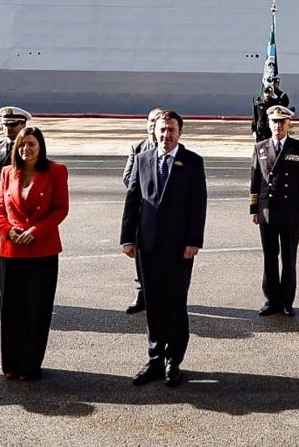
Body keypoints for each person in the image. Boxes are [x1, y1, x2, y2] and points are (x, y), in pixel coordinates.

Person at [121, 110, 207, 388]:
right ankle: (155, 358)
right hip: (148, 244)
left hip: (180, 247)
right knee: (154, 303)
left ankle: (174, 359)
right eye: (162, 129)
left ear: (180, 132)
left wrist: (194, 241)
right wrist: (127, 238)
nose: (166, 135)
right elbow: (133, 198)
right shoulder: (143, 159)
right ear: (153, 131)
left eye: (171, 130)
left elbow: (198, 204)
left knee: (175, 303)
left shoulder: (193, 162)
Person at [0, 126, 69, 381]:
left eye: (32, 144)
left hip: (42, 249)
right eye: (22, 145)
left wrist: (36, 230)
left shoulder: (56, 171)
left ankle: (31, 364)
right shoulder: (7, 173)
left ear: (41, 147)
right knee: (12, 309)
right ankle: (12, 364)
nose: (26, 149)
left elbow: (60, 209)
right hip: (12, 249)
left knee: (37, 309)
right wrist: (8, 231)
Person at [250, 105, 299, 316]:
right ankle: (271, 299)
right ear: (269, 124)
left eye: (282, 122)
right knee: (269, 256)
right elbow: (255, 181)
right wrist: (254, 210)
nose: (278, 126)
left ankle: (287, 300)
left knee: (288, 257)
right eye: (274, 122)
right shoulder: (260, 147)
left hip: (291, 210)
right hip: (267, 211)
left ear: (288, 125)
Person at [0, 106, 32, 313]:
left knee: (20, 252)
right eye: (5, 125)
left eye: (12, 125)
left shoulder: (29, 149)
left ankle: (20, 292)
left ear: (23, 125)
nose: (8, 129)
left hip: (19, 211)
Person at [122, 108, 165, 314]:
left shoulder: (170, 147)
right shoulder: (138, 147)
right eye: (149, 120)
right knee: (141, 255)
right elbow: (127, 177)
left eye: (155, 120)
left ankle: (164, 293)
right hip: (143, 212)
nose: (151, 124)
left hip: (165, 215)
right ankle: (142, 293)